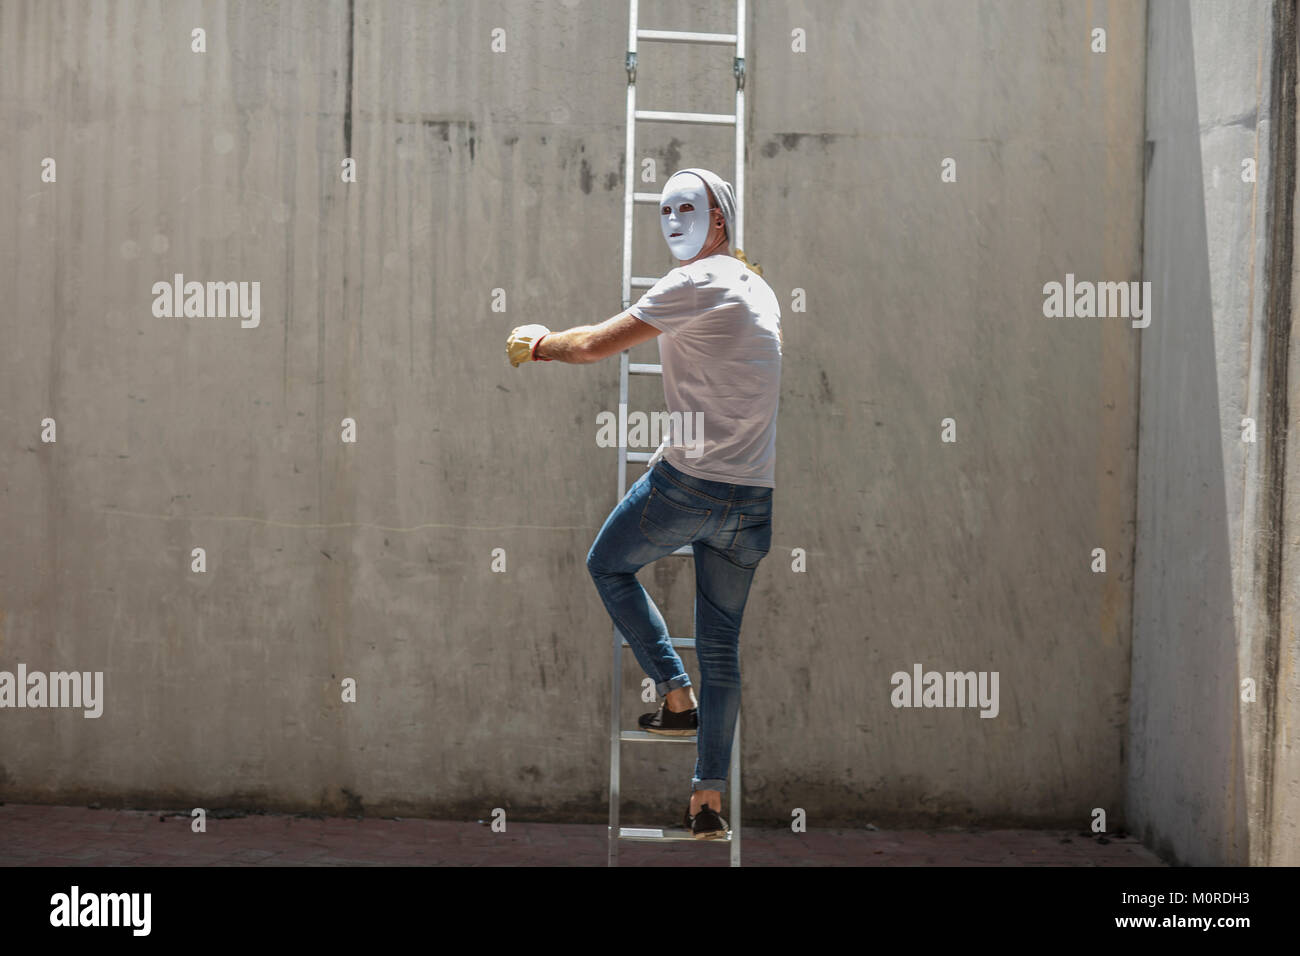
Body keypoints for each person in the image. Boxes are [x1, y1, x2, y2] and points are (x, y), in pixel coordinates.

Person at [506, 168, 782, 840]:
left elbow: (597, 344)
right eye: (666, 210)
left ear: (720, 218)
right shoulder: (759, 287)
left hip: (689, 485)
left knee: (607, 564)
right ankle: (707, 801)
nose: (675, 220)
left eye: (688, 208)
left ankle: (674, 692)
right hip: (753, 502)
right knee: (724, 649)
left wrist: (539, 345)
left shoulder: (691, 283)